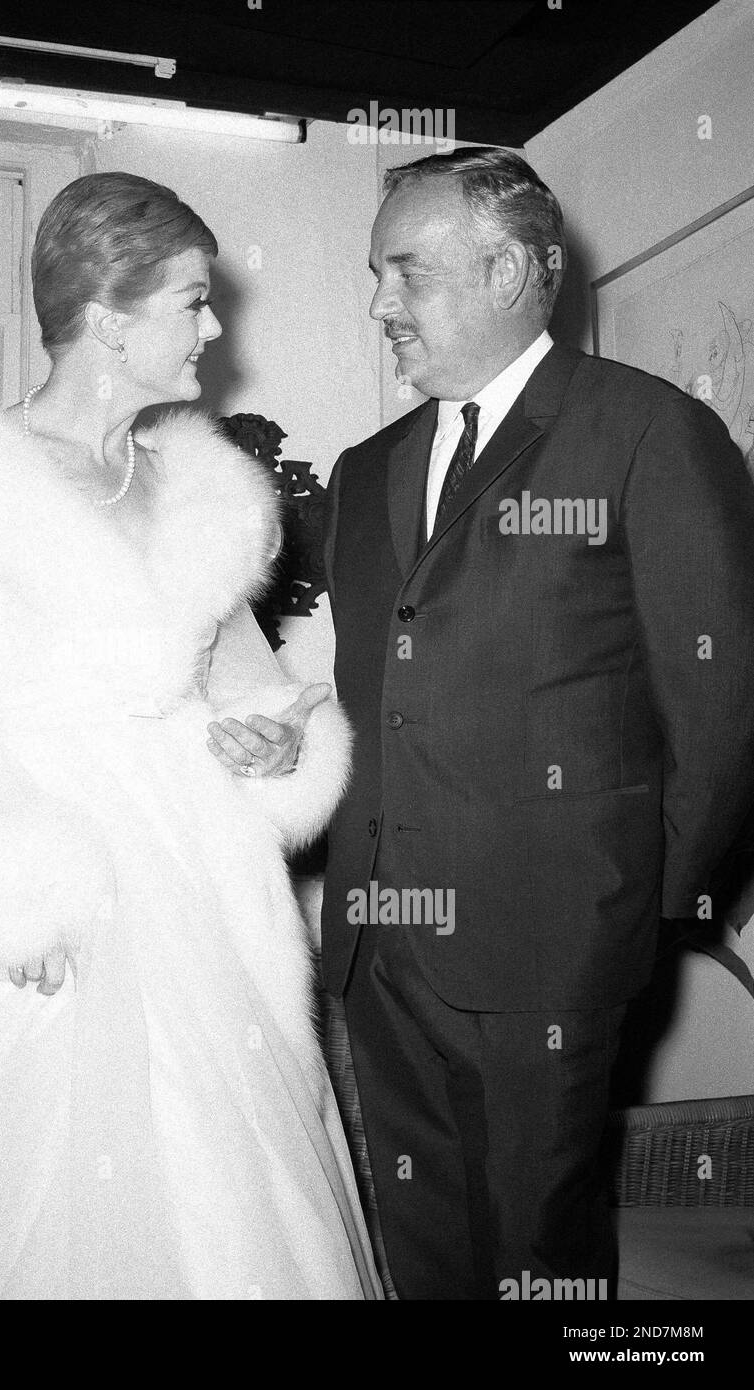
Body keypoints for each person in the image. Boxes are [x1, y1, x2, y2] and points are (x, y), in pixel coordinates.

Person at [0, 172, 380, 1299]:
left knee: (225, 1187)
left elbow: (252, 687)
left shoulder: (198, 486)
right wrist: (22, 882)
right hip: (44, 877)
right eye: (190, 300)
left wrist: (272, 743)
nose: (212, 328)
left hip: (197, 882)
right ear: (110, 318)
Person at [313, 146, 754, 1299]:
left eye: (404, 271)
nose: (379, 305)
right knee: (424, 1252)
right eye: (374, 274)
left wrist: (640, 912)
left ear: (509, 269)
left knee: (538, 1261)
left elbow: (720, 697)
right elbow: (375, 692)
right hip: (379, 944)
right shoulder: (362, 476)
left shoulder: (649, 435)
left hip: (554, 942)